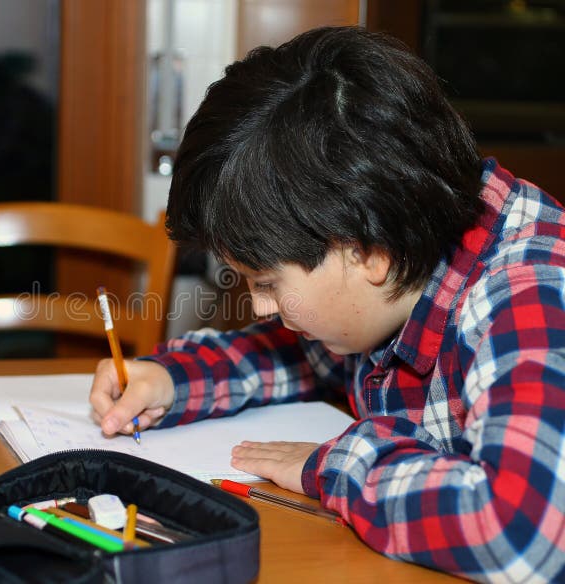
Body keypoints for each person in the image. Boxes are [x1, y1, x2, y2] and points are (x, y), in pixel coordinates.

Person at [89, 26, 565, 581]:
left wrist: (336, 463)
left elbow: (522, 533)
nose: (260, 307)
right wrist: (171, 379)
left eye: (266, 283)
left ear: (369, 252)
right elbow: (301, 356)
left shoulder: (529, 297)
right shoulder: (396, 260)